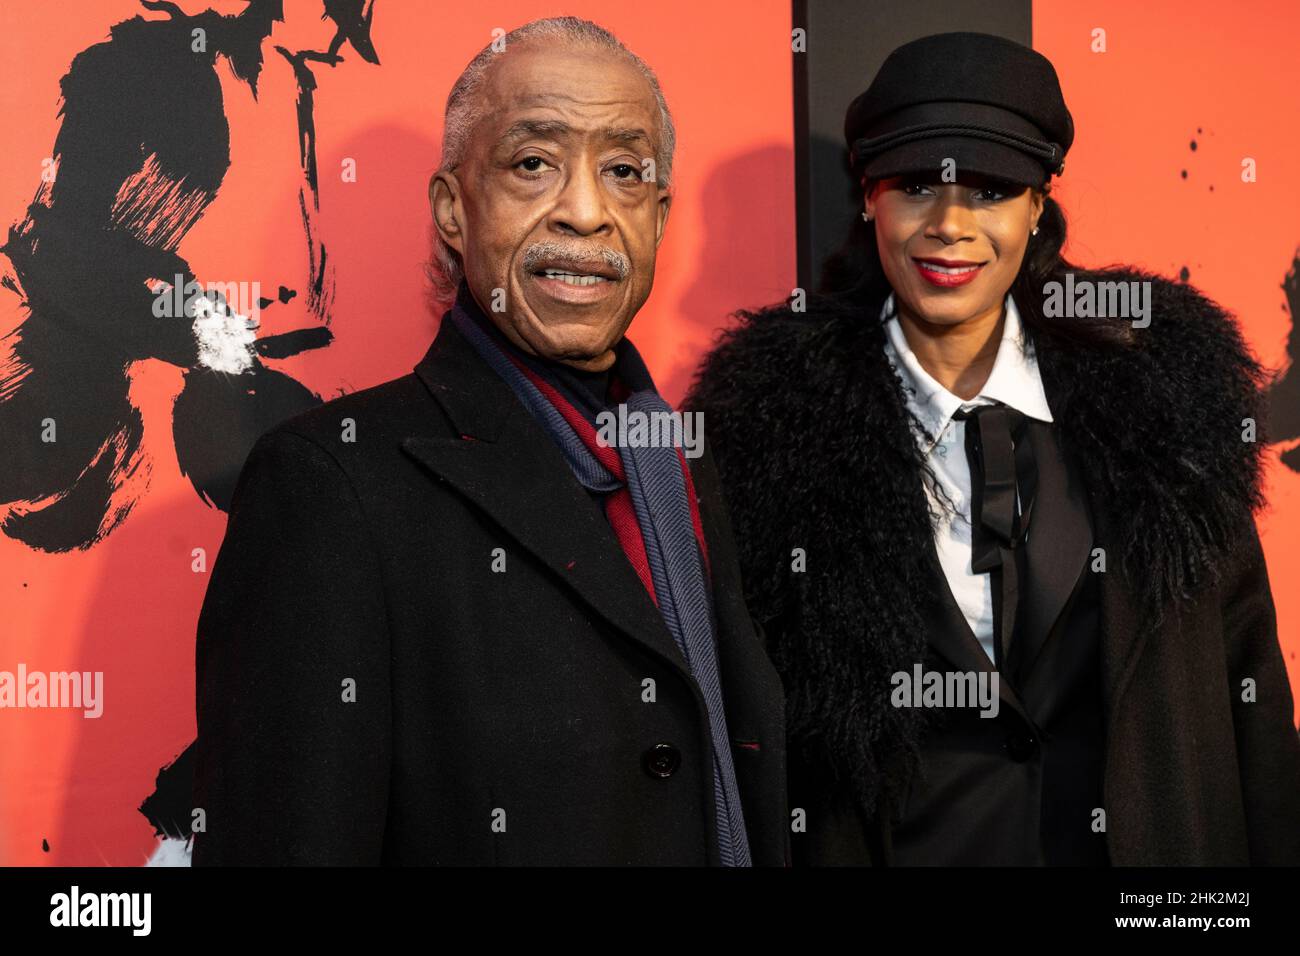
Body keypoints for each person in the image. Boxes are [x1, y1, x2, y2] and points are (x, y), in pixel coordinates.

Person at [687, 31, 1300, 865]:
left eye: (990, 190)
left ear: (1038, 205)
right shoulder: (766, 432)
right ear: (868, 198)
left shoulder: (1165, 400)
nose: (949, 226)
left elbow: (1248, 688)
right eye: (914, 187)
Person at [192, 16, 787, 866]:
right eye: (534, 164)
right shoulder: (331, 483)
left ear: (658, 218)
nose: (585, 212)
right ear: (452, 208)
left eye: (624, 172)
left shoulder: (678, 459)